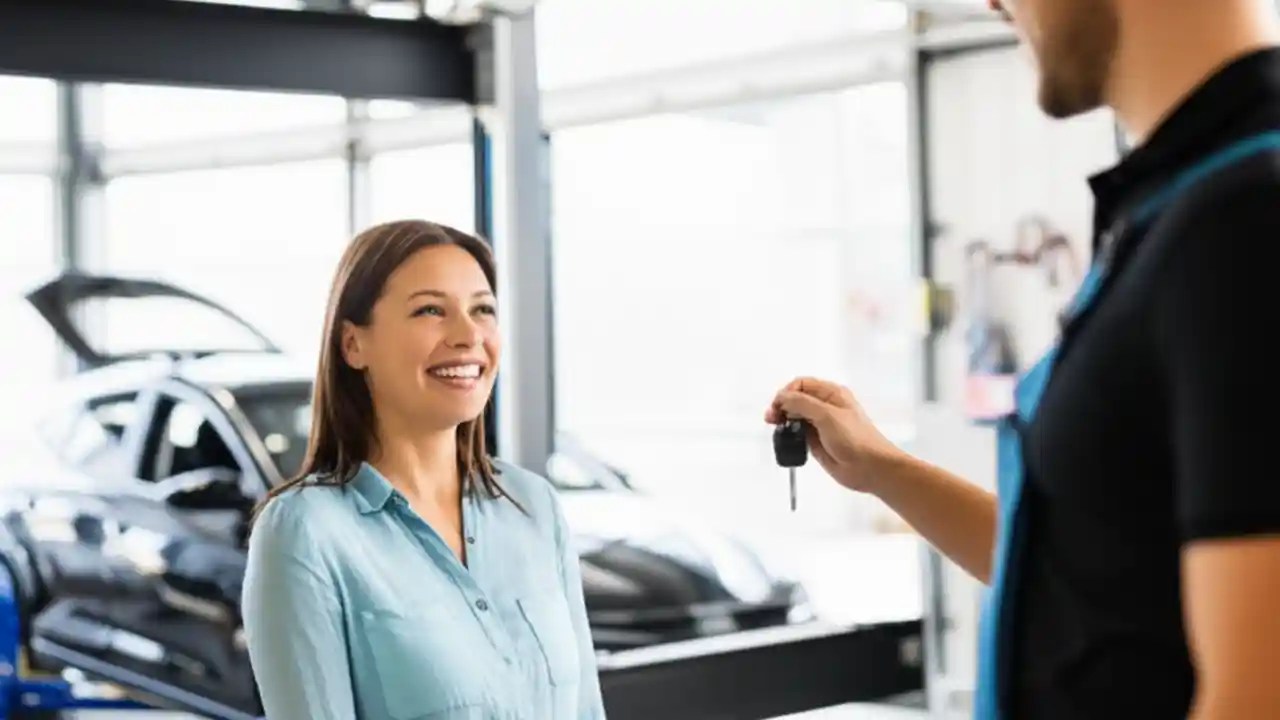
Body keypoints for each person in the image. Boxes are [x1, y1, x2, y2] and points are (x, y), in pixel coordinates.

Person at [769, 1, 1280, 719]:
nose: (993, 3)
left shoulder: (1244, 224)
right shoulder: (1177, 216)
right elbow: (1092, 571)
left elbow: (1259, 696)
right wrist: (884, 470)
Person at [241, 220, 606, 720]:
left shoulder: (534, 505)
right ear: (353, 344)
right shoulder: (305, 532)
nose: (468, 335)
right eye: (430, 310)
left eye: (482, 310)